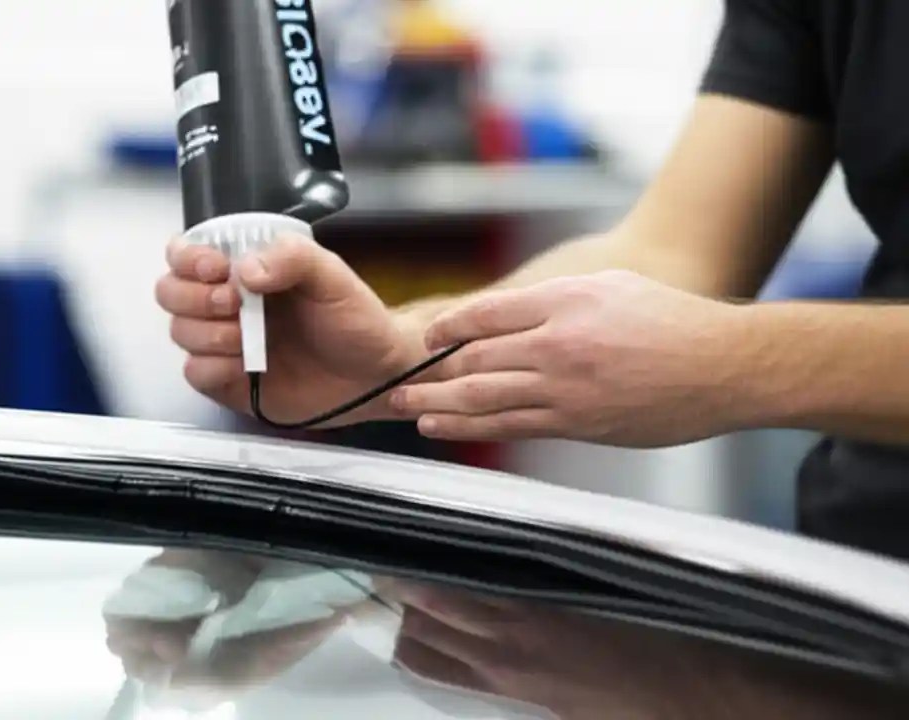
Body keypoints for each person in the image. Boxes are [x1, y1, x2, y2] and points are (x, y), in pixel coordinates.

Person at [154, 1, 909, 561]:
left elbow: (699, 314)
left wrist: (731, 361)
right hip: (852, 572)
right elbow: (673, 251)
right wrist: (396, 354)